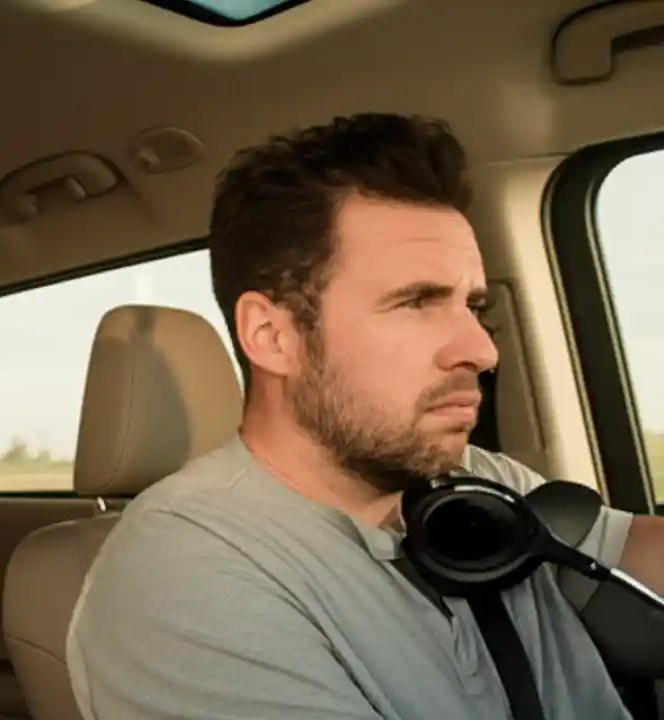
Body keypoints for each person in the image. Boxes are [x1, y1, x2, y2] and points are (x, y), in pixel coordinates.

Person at [65, 113, 664, 719]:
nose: (483, 351)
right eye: (417, 301)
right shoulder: (183, 573)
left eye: (472, 306)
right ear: (273, 336)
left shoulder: (475, 485)